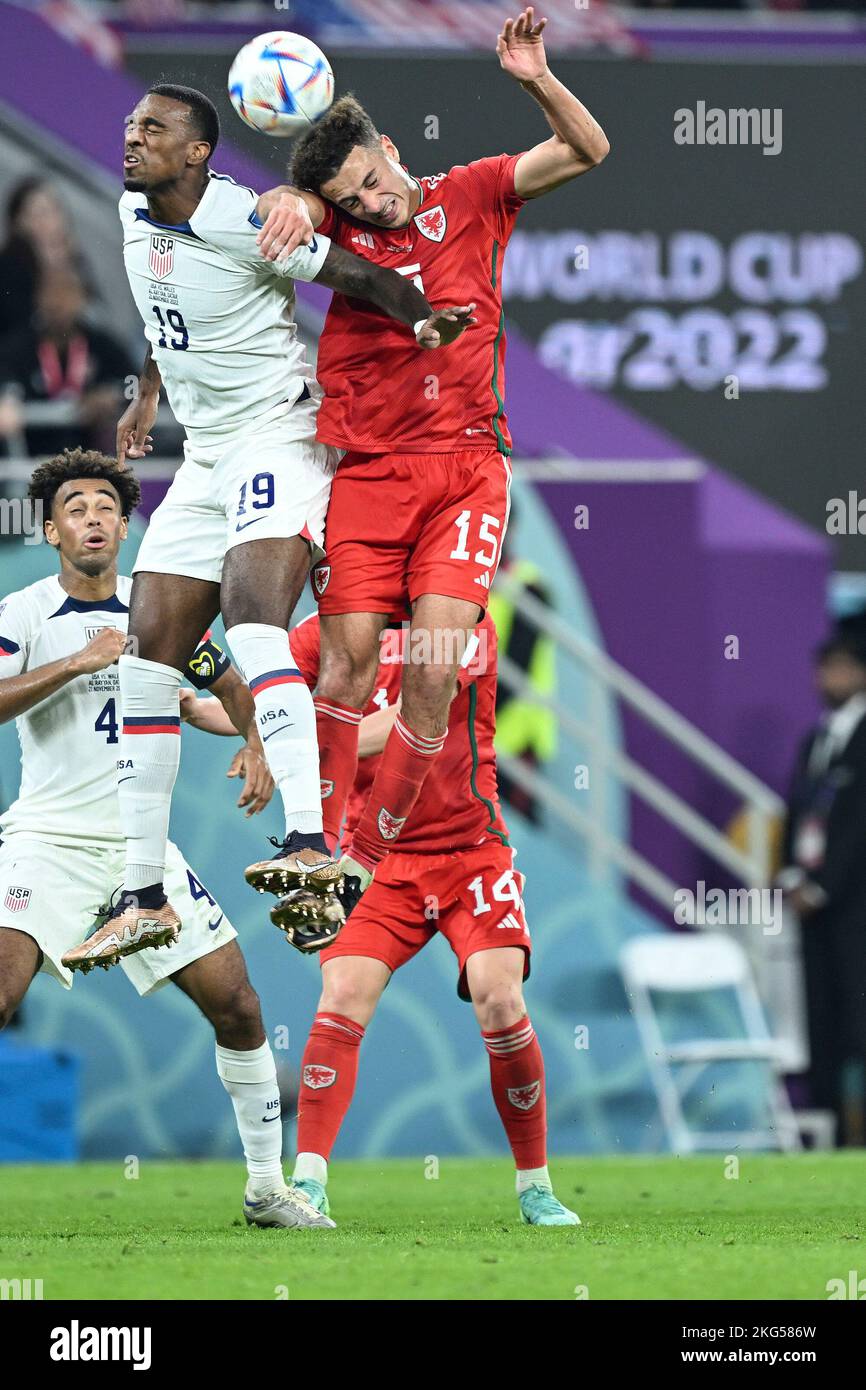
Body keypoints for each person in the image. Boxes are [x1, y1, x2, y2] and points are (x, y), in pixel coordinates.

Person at [95, 82, 472, 964]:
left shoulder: (244, 221)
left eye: (153, 128)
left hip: (279, 435)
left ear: (198, 152)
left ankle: (313, 845)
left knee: (253, 619)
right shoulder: (131, 210)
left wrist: (421, 320)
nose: (132, 136)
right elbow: (163, 310)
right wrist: (148, 394)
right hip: (204, 451)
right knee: (146, 656)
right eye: (130, 124)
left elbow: (365, 275)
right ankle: (145, 893)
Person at [254, 6, 609, 924]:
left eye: (375, 181)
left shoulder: (478, 192)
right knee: (343, 667)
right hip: (369, 471)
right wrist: (290, 201)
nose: (373, 203)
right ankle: (319, 851)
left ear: (394, 150)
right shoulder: (334, 230)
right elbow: (268, 214)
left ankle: (361, 859)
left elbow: (588, 151)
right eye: (353, 198)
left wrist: (533, 77)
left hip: (465, 468)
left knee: (438, 667)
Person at [0, 448, 331, 1229]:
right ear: (50, 529)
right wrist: (77, 663)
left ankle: (265, 1190)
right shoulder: (24, 612)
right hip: (47, 842)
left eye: (107, 507)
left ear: (126, 526)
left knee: (240, 1007)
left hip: (142, 855)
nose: (93, 519)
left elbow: (230, 684)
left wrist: (254, 740)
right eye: (76, 508)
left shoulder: (164, 617)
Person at [183, 610, 579, 1226]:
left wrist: (280, 735)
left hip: (471, 852)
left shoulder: (459, 619)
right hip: (376, 861)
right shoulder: (324, 632)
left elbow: (404, 724)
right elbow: (259, 705)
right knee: (341, 996)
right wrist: (197, 701)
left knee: (498, 999)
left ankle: (536, 1187)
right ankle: (308, 1184)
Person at [779, 631, 866, 1146]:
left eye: (838, 668)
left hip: (856, 905)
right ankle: (831, 1133)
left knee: (860, 1016)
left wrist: (827, 886)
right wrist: (794, 874)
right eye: (823, 669)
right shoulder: (816, 739)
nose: (827, 680)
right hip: (811, 907)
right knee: (821, 1018)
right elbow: (800, 813)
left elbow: (858, 826)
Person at [0, 266, 135, 458]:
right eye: (51, 292)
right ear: (38, 297)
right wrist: (6, 397)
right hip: (32, 462)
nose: (58, 302)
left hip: (92, 460)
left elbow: (138, 384)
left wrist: (114, 394)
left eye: (67, 291)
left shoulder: (102, 345)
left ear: (83, 298)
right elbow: (6, 378)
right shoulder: (18, 347)